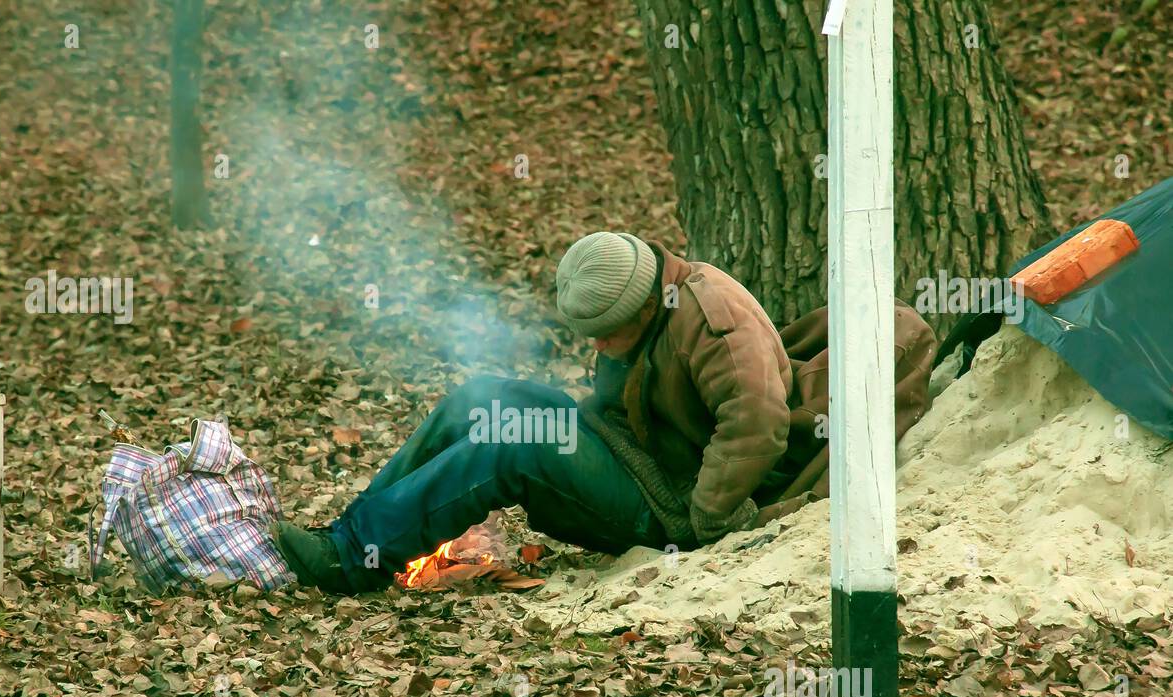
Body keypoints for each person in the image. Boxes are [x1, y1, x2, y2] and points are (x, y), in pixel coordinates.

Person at [274, 231, 935, 593]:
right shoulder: (649, 286)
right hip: (633, 450)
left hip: (671, 500)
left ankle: (345, 562)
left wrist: (704, 522)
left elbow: (758, 421)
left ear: (644, 307)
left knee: (512, 442)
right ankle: (357, 536)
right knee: (480, 398)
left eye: (605, 335)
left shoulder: (713, 322)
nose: (595, 347)